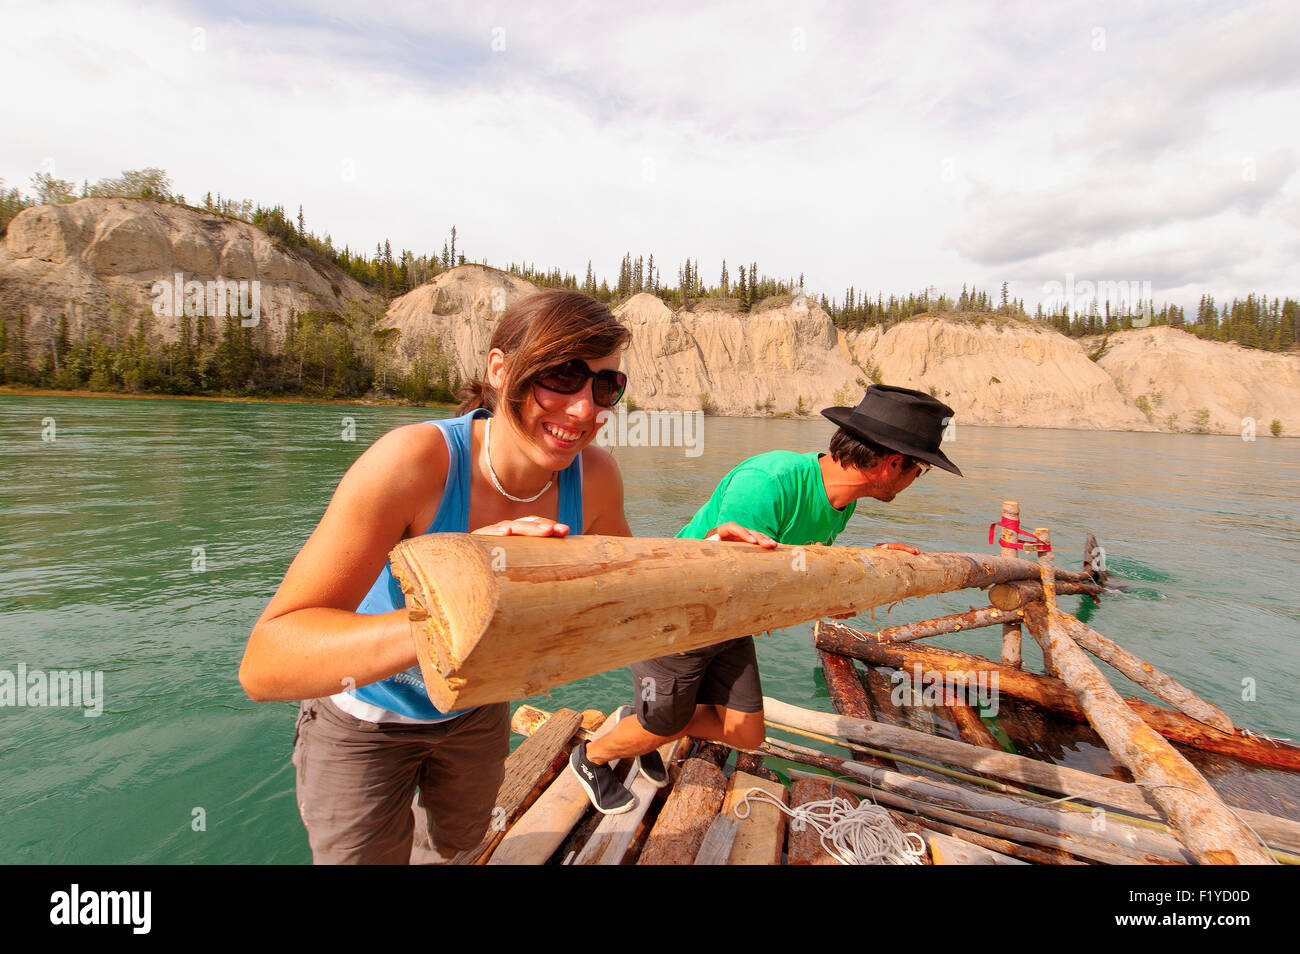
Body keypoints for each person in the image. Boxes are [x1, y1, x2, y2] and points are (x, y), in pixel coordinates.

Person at [237, 289, 638, 864]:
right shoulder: (413, 463)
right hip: (365, 718)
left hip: (475, 713)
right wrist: (458, 598)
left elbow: (631, 588)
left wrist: (713, 556)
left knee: (455, 848)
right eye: (563, 377)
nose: (584, 410)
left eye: (605, 387)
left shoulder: (594, 477)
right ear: (499, 370)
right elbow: (266, 662)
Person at [571, 384, 963, 814]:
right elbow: (734, 574)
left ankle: (644, 724)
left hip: (730, 624)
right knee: (668, 721)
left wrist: (861, 573)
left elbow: (801, 573)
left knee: (746, 734)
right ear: (892, 464)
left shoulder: (840, 502)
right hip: (676, 620)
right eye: (918, 470)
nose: (915, 480)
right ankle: (593, 758)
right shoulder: (770, 481)